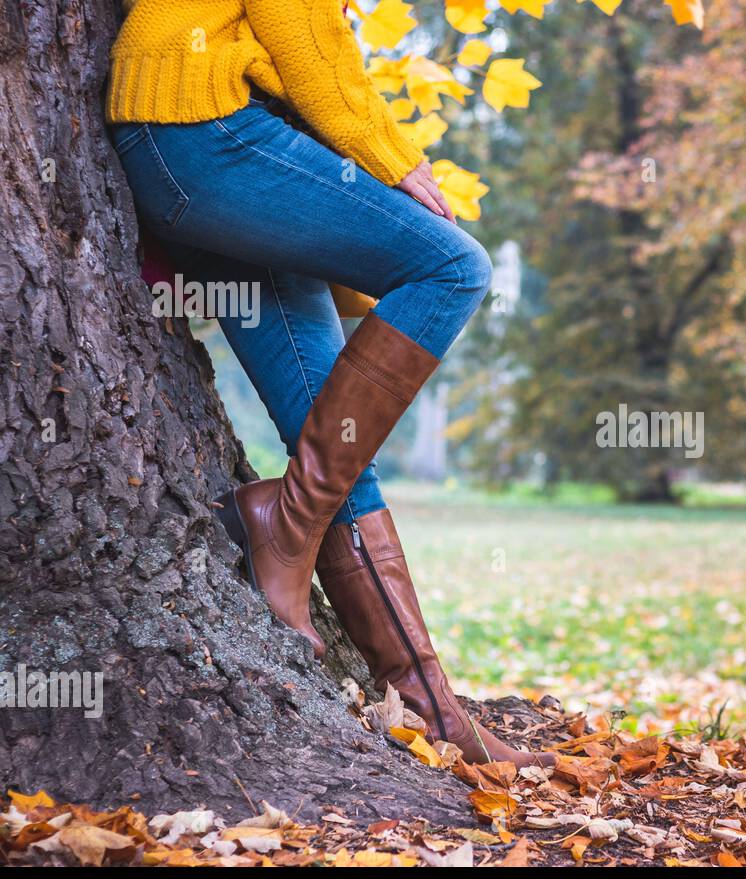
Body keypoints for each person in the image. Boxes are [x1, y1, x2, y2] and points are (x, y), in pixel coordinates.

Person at [106, 0, 553, 768]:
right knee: (452, 266)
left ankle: (426, 705)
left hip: (202, 146)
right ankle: (283, 523)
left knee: (333, 434)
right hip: (203, 135)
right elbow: (305, 35)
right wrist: (393, 159)